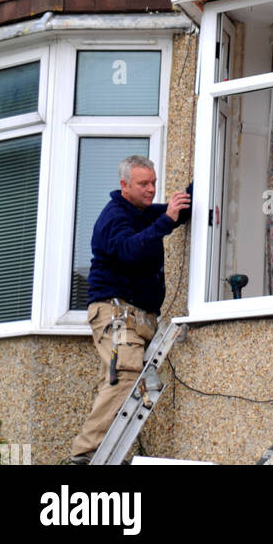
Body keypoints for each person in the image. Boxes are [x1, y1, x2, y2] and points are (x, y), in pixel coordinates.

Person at [68, 156, 191, 464]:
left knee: (116, 382)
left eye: (153, 183)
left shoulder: (141, 212)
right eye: (143, 184)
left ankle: (109, 454)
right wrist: (165, 221)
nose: (151, 190)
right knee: (124, 377)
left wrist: (203, 181)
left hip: (133, 315)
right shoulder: (114, 217)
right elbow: (130, 250)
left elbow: (175, 214)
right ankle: (86, 456)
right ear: (124, 185)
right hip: (115, 312)